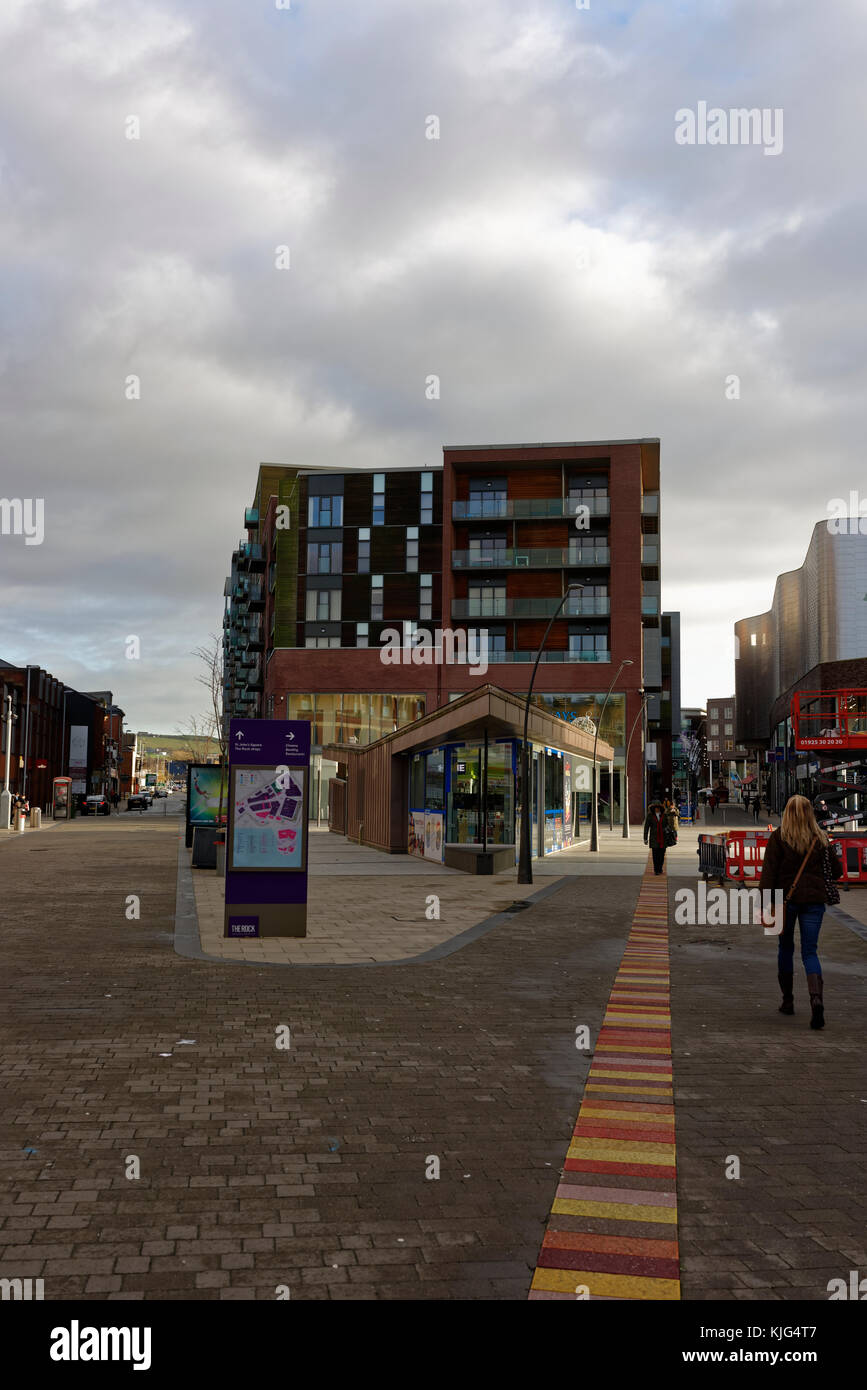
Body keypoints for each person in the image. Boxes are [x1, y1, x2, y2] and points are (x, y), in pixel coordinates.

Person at [759, 794, 843, 1029]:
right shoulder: (820, 838)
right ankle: (816, 999)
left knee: (785, 947)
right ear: (810, 814)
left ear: (787, 813)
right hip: (814, 901)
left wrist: (766, 904)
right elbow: (836, 871)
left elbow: (769, 873)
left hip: (784, 901)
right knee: (810, 952)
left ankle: (787, 1000)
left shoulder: (779, 837)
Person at [643, 799, 677, 875]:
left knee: (661, 855)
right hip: (654, 838)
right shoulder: (650, 816)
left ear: (660, 808)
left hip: (663, 838)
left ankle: (660, 868)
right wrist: (645, 838)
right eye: (655, 807)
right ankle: (656, 870)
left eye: (658, 807)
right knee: (655, 855)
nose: (657, 809)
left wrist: (672, 816)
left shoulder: (664, 815)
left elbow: (670, 825)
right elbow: (646, 827)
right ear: (653, 808)